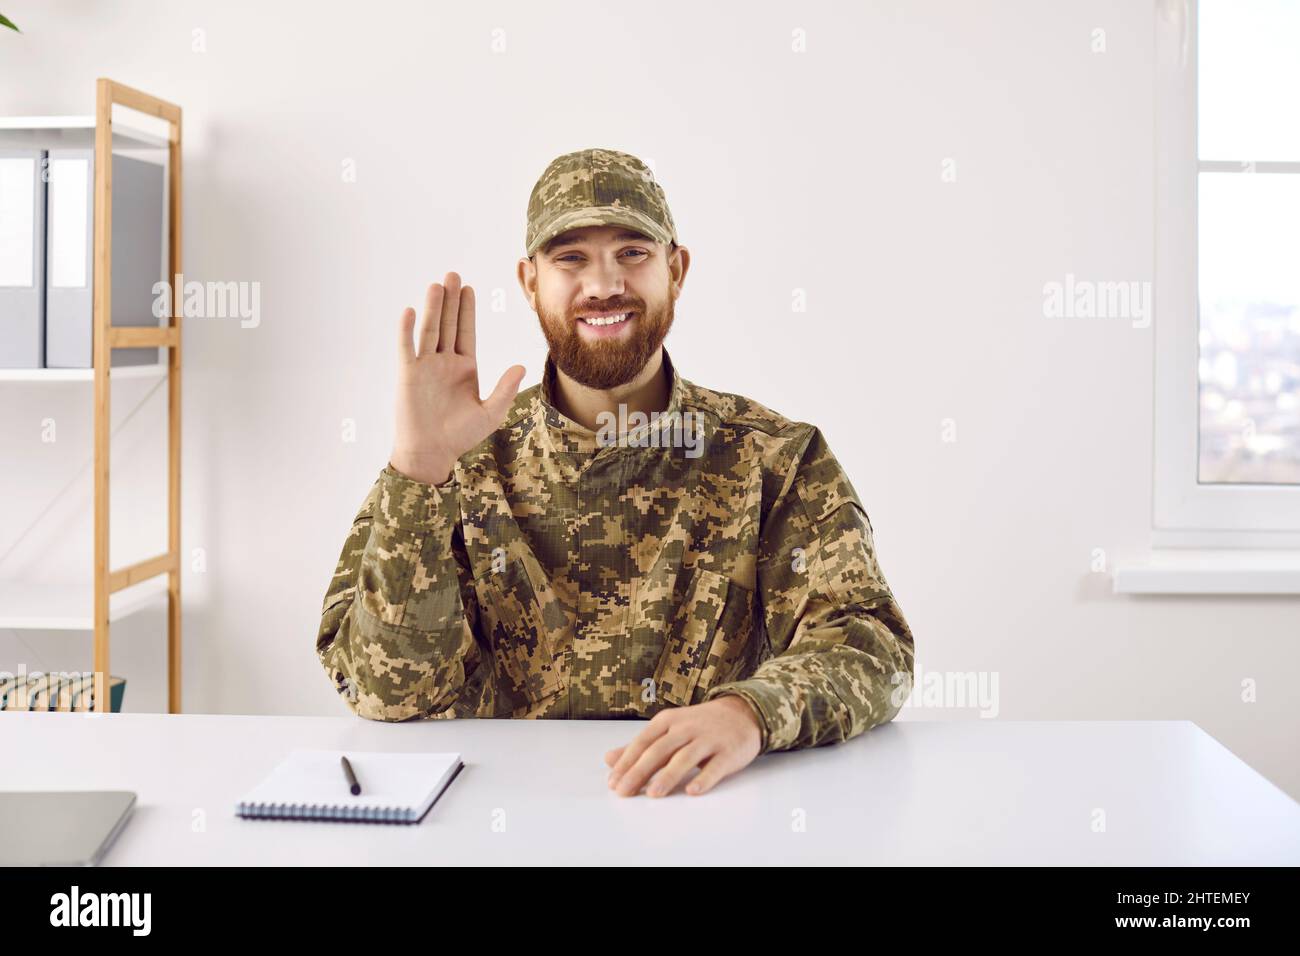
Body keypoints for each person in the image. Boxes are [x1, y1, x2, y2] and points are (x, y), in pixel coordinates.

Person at [316, 148, 915, 798]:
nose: (603, 284)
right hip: (497, 832)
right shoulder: (457, 460)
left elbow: (870, 642)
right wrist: (419, 470)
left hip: (708, 821)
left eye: (632, 252)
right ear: (528, 281)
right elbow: (385, 697)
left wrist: (750, 714)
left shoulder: (775, 458)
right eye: (570, 257)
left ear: (676, 270)